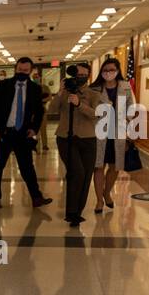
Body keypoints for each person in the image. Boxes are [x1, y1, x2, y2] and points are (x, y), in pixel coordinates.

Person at [0, 56, 51, 209]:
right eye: (20, 70)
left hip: (22, 134)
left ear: (31, 71)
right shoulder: (2, 85)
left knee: (27, 168)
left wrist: (34, 128)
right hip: (3, 132)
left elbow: (39, 112)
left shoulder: (35, 89)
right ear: (15, 69)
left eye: (26, 71)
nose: (22, 72)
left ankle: (36, 198)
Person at [50, 61, 100, 227]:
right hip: (66, 138)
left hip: (88, 139)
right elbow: (51, 110)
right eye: (77, 74)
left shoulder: (94, 94)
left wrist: (80, 104)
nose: (80, 77)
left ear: (88, 76)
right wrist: (59, 93)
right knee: (76, 172)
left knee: (85, 177)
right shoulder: (65, 92)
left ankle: (77, 213)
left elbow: (97, 115)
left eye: (83, 75)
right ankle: (71, 212)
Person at [93, 57, 135, 212]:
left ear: (117, 71)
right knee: (98, 166)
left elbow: (132, 105)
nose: (108, 73)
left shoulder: (125, 86)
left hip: (118, 132)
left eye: (111, 70)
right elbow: (90, 108)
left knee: (115, 167)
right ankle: (99, 201)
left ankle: (107, 193)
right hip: (100, 132)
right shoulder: (95, 88)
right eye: (105, 70)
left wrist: (127, 118)